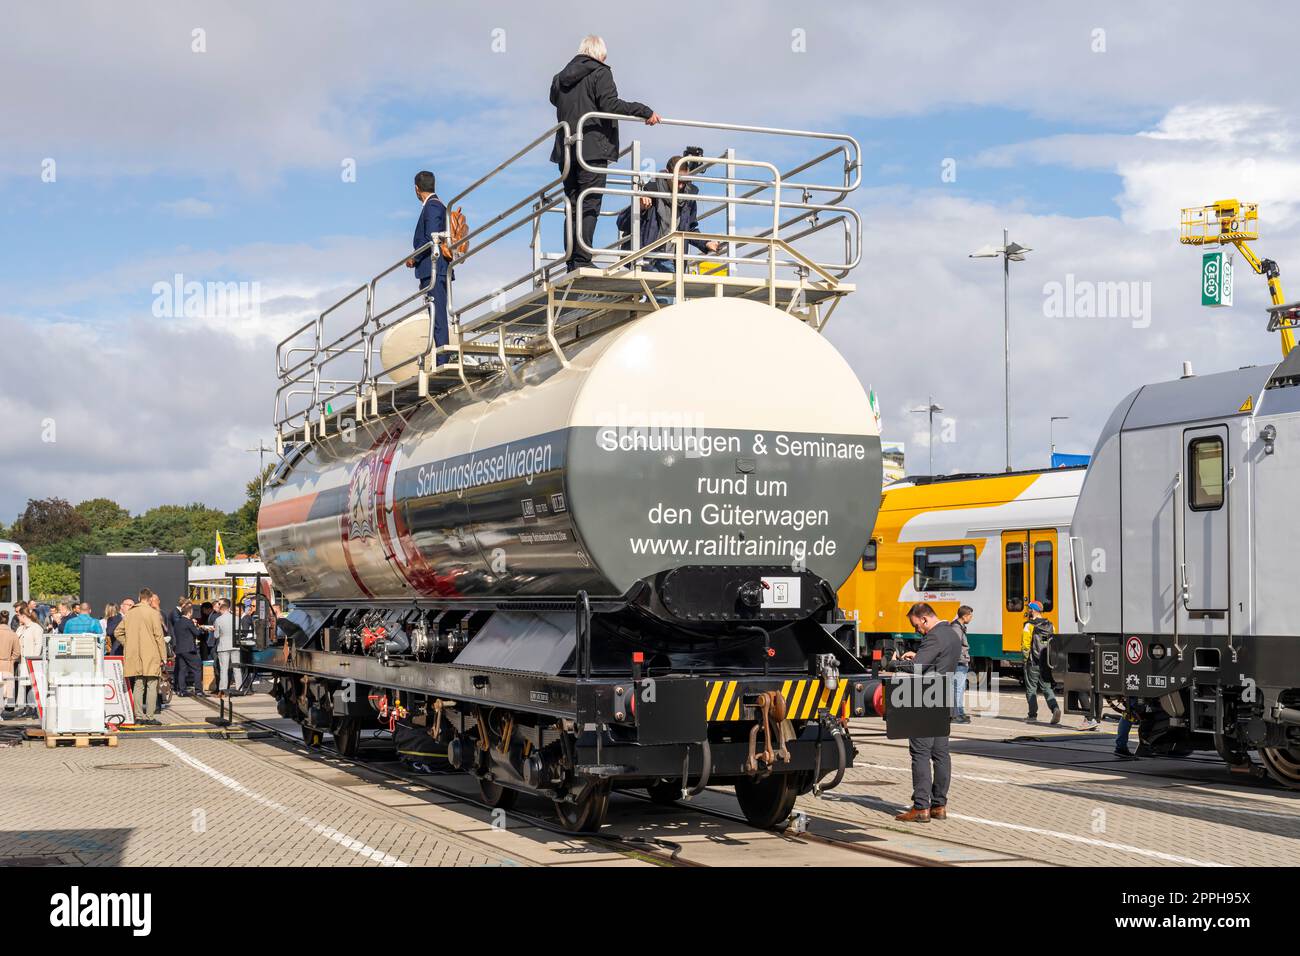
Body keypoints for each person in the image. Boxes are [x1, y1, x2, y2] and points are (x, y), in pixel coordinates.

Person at [549, 34, 659, 272]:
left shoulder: (559, 79)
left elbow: (554, 100)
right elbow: (610, 105)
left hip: (567, 150)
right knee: (590, 203)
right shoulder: (600, 72)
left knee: (573, 205)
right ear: (599, 54)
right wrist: (644, 110)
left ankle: (572, 260)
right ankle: (582, 259)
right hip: (592, 148)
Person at [891, 602, 963, 823]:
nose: (917, 630)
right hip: (944, 699)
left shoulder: (934, 636)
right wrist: (918, 656)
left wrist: (895, 663)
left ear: (924, 619)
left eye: (917, 625)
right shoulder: (952, 634)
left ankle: (921, 807)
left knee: (921, 753)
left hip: (926, 699)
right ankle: (939, 805)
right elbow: (936, 661)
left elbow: (917, 668)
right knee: (941, 754)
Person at [405, 170, 452, 366]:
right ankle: (441, 356)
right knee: (435, 313)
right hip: (435, 267)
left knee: (438, 314)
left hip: (434, 267)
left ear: (417, 189)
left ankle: (442, 359)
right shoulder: (436, 205)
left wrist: (414, 258)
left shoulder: (432, 206)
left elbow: (431, 238)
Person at [114, 588, 167, 725]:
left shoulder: (130, 613)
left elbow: (117, 632)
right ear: (150, 599)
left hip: (135, 654)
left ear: (139, 598)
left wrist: (128, 644)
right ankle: (149, 717)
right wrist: (163, 656)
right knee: (152, 684)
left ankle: (138, 716)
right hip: (152, 653)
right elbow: (159, 636)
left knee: (138, 684)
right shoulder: (153, 613)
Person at [1021, 601, 1060, 724]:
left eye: (1029, 609)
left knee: (1031, 689)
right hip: (1046, 663)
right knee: (1047, 688)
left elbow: (1025, 646)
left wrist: (1025, 659)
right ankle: (1055, 708)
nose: (1028, 611)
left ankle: (1032, 715)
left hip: (1033, 662)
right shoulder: (1051, 625)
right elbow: (1053, 643)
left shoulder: (1029, 626)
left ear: (1033, 610)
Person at [14, 604, 45, 716]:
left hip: (32, 661)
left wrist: (33, 660)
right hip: (22, 661)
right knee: (26, 685)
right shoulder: (20, 628)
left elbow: (38, 645)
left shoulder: (36, 628)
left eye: (18, 615)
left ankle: (35, 708)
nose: (17, 617)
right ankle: (27, 708)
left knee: (33, 685)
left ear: (23, 616)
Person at [171, 602, 206, 698]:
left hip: (179, 650)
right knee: (197, 669)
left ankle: (182, 690)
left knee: (182, 670)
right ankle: (198, 691)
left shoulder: (177, 623)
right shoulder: (188, 622)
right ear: (189, 613)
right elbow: (197, 633)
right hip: (189, 649)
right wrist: (202, 629)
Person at [212, 599, 243, 698]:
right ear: (228, 609)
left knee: (224, 669)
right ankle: (239, 688)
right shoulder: (237, 618)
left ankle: (223, 690)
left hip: (223, 647)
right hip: (235, 646)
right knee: (237, 668)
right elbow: (241, 632)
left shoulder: (218, 620)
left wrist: (214, 631)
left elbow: (216, 635)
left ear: (221, 610)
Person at [951, 605, 973, 723]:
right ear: (964, 616)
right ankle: (956, 715)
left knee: (961, 688)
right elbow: (955, 646)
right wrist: (961, 659)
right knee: (958, 689)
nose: (971, 618)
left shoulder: (960, 627)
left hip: (962, 662)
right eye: (970, 616)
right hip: (959, 663)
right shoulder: (956, 629)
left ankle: (960, 712)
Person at [0, 610, 20, 714]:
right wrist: (11, 660)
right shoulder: (13, 634)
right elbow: (17, 652)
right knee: (4, 690)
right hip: (7, 664)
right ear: (8, 620)